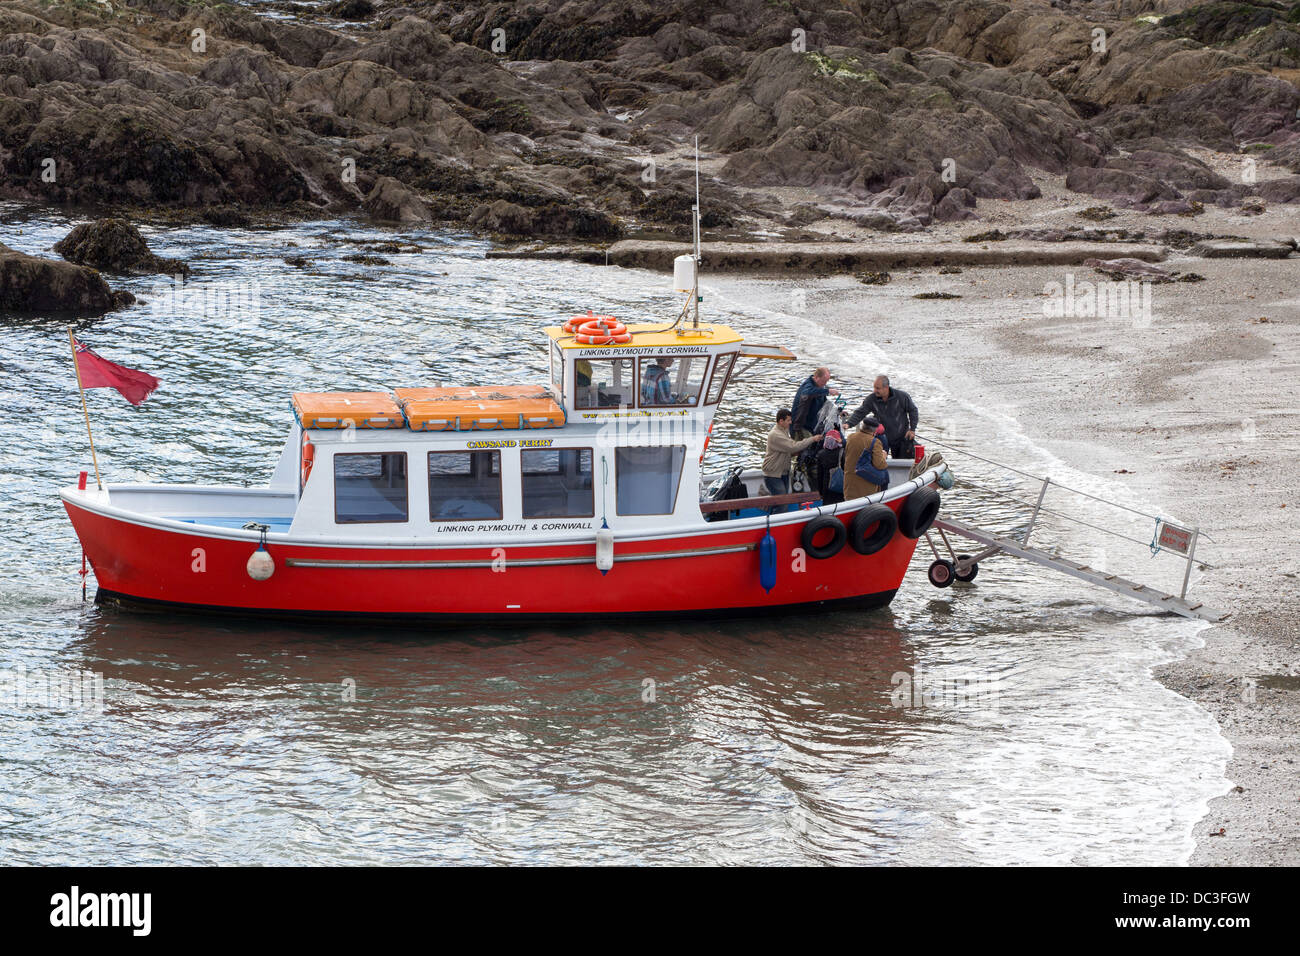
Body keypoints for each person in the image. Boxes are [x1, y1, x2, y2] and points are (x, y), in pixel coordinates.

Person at [846, 374, 918, 459]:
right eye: (874, 388)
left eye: (878, 388)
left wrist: (912, 429)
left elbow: (913, 411)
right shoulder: (871, 399)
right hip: (881, 438)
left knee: (903, 459)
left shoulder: (902, 397)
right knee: (878, 462)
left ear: (886, 387)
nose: (875, 390)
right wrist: (848, 424)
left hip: (901, 437)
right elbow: (860, 412)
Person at [763, 408, 821, 495]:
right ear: (781, 421)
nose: (790, 422)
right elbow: (793, 446)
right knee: (782, 502)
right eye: (788, 420)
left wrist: (794, 454)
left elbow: (785, 450)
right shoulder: (776, 434)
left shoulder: (784, 431)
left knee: (783, 501)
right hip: (773, 475)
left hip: (783, 473)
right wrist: (812, 439)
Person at [844, 417, 890, 499]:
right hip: (866, 485)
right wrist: (884, 456)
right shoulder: (875, 442)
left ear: (862, 426)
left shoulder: (850, 437)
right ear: (875, 431)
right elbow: (879, 465)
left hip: (849, 483)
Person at [790, 367, 840, 438]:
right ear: (816, 377)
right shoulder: (807, 386)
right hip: (800, 427)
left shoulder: (820, 387)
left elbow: (825, 404)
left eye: (826, 381)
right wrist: (828, 391)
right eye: (823, 381)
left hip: (812, 425)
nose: (825, 384)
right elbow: (807, 393)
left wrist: (837, 411)